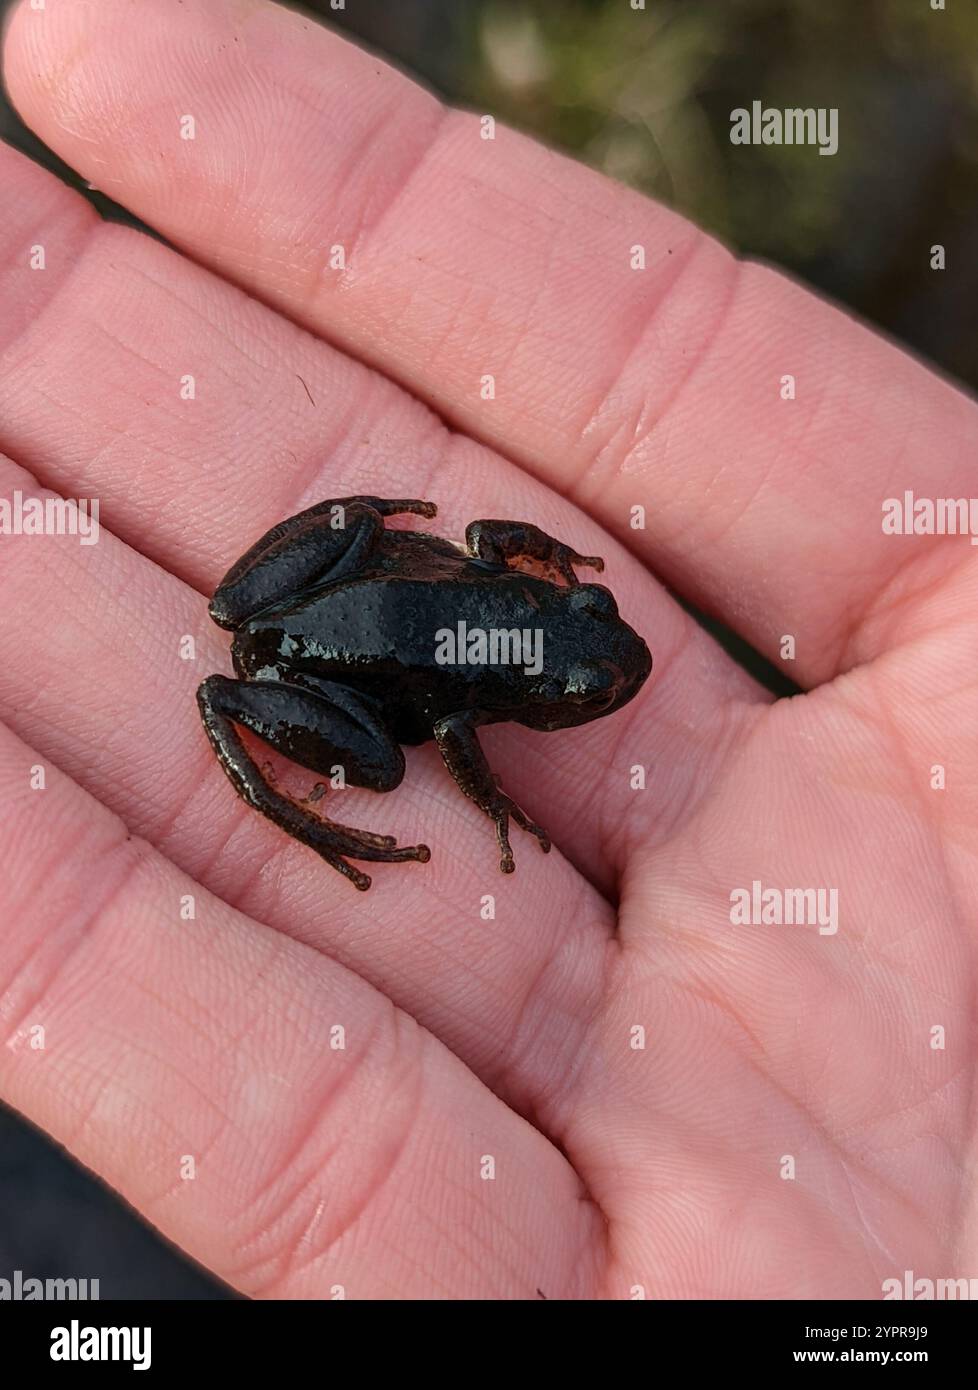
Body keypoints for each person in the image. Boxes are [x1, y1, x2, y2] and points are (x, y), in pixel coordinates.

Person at [0, 0, 974, 1299]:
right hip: (309, 662)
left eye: (585, 653)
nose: (604, 670)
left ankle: (324, 640)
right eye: (586, 671)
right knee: (388, 765)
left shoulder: (489, 593)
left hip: (343, 596)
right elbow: (457, 723)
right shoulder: (478, 686)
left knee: (348, 599)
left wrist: (512, 564)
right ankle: (283, 781)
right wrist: (497, 779)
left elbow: (493, 537)